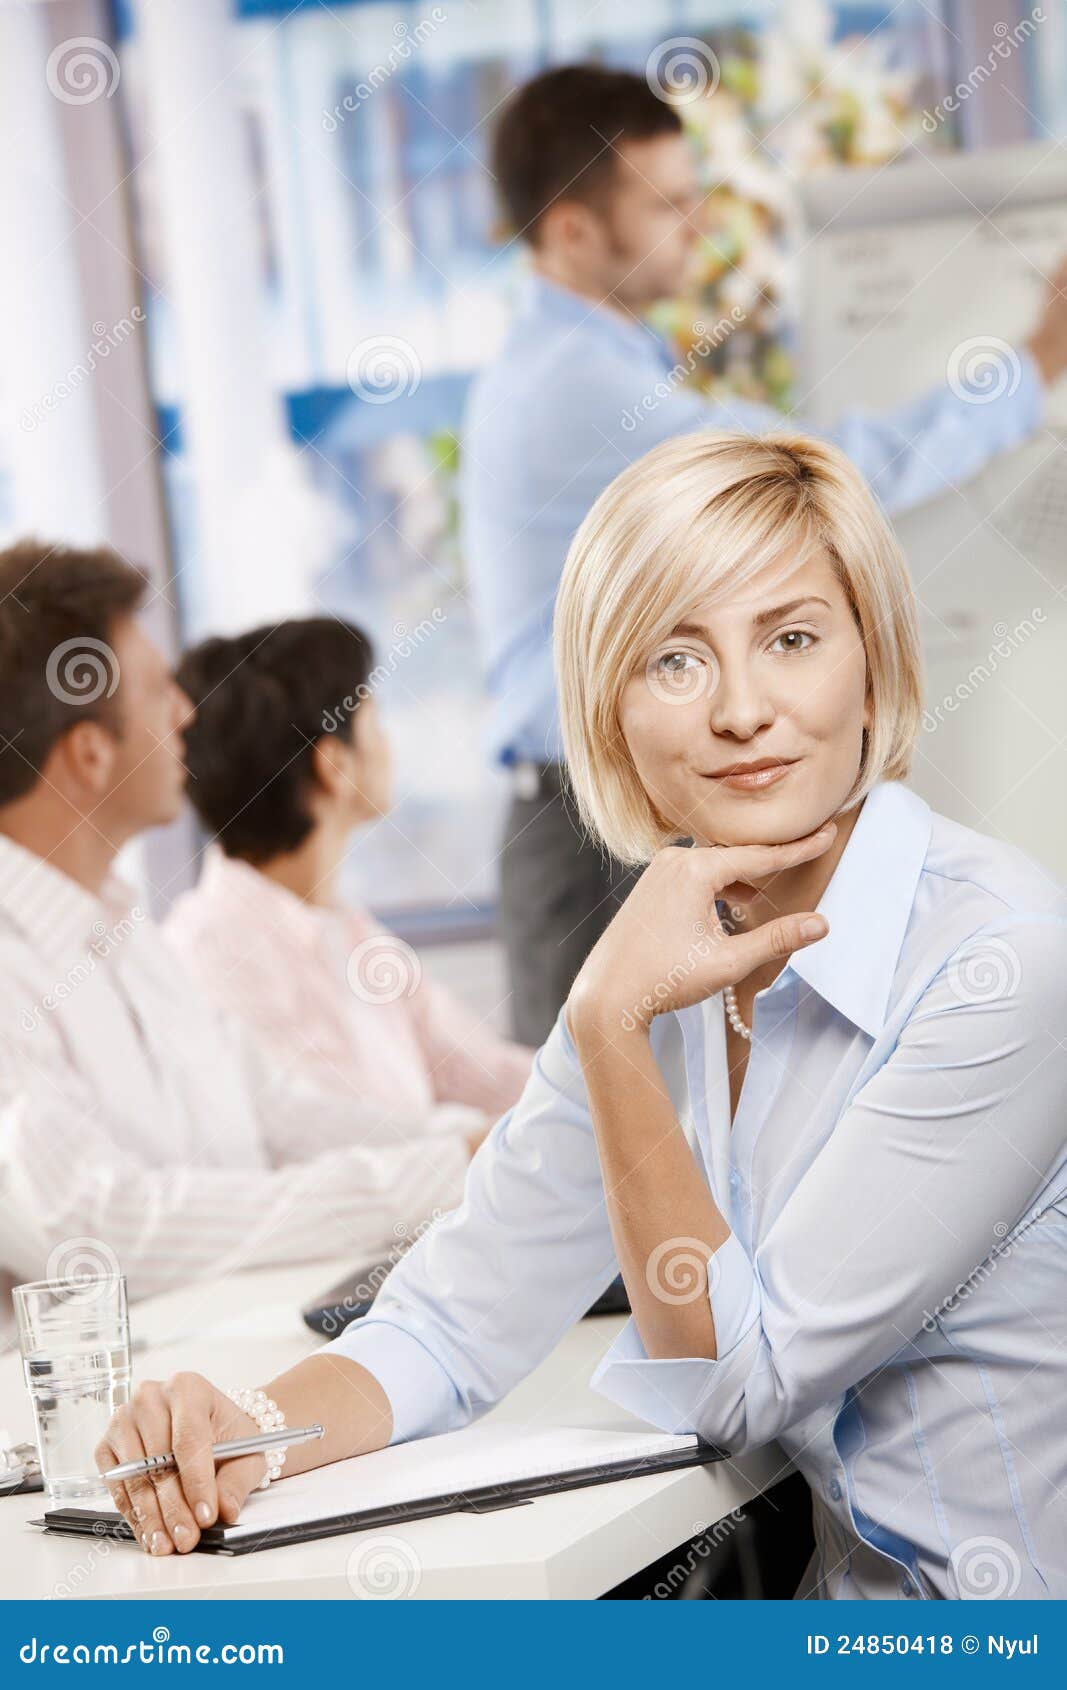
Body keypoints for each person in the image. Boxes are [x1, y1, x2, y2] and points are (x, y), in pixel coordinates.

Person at [100, 430, 1067, 1599]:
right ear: (609, 714)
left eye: (792, 639)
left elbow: (735, 1385)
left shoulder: (995, 957)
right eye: (675, 658)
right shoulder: (665, 957)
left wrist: (610, 1025)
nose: (741, 709)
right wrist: (244, 1427)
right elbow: (449, 1321)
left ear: (872, 667)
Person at [462, 62, 1067, 1045]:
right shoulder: (572, 385)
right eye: (666, 206)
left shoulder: (588, 362)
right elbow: (819, 471)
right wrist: (1032, 365)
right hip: (590, 830)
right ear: (571, 232)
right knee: (613, 1124)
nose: (698, 223)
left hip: (602, 813)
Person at [0, 541, 488, 1310]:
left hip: (235, 1341)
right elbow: (101, 1232)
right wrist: (439, 1170)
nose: (185, 713)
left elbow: (275, 1110)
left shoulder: (124, 932)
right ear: (90, 754)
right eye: (158, 691)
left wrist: (476, 1143)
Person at [164, 617, 533, 1120]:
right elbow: (342, 1138)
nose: (388, 744)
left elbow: (483, 1071)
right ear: (334, 766)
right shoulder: (212, 954)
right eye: (374, 723)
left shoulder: (347, 929)